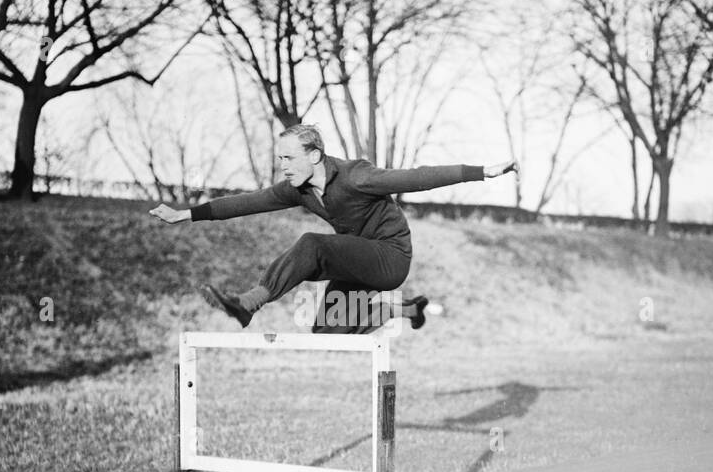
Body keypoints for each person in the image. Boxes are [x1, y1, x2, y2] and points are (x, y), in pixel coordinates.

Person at [150, 124, 515, 333]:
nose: (284, 168)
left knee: (314, 244)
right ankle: (404, 311)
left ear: (314, 155)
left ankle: (249, 302)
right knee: (327, 331)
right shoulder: (300, 189)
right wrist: (188, 215)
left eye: (289, 159)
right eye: (280, 160)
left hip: (390, 257)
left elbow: (418, 177)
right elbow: (249, 201)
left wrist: (481, 172)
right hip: (357, 259)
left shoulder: (356, 176)